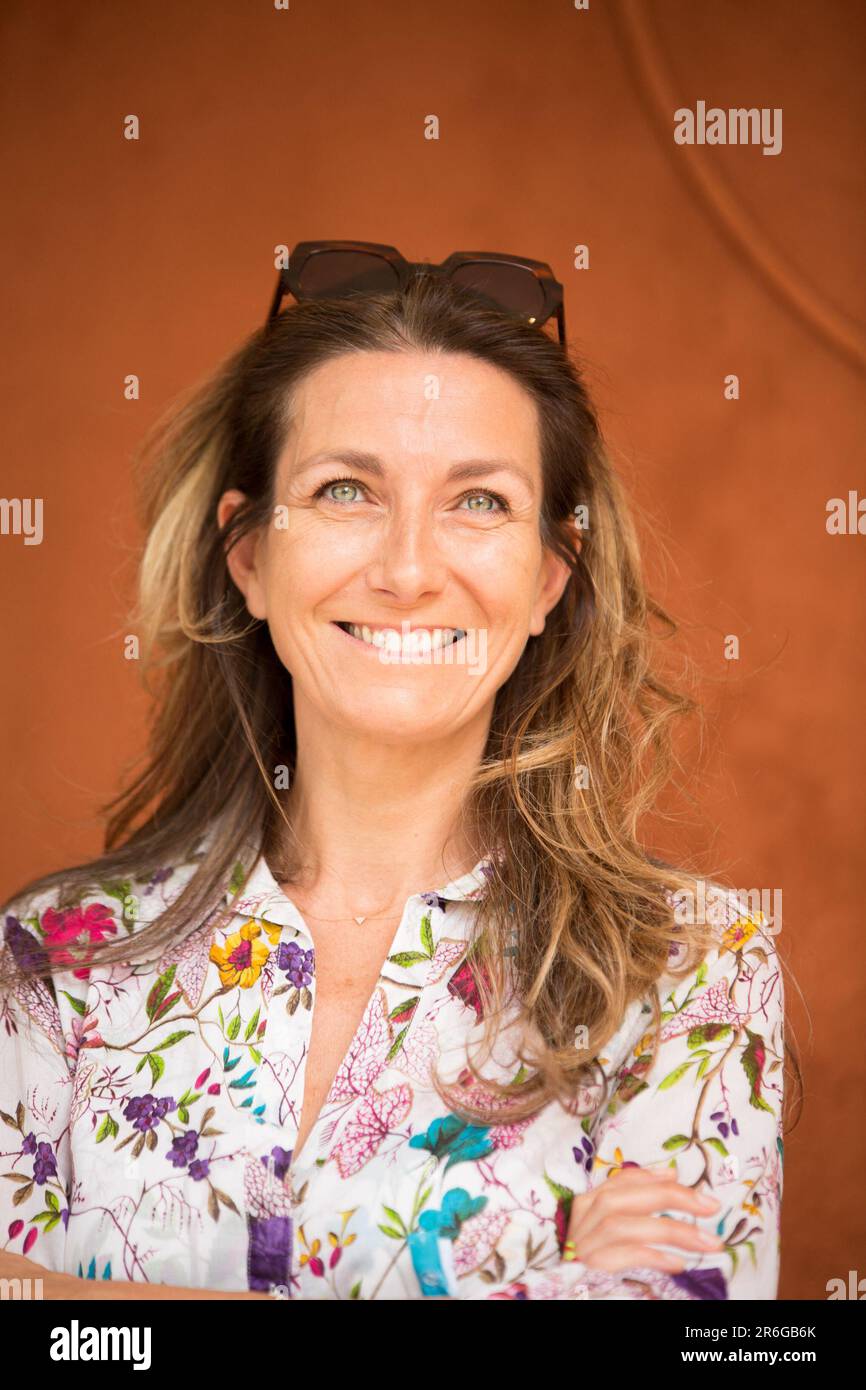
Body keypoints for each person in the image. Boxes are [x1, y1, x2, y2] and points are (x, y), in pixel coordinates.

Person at [0, 262, 792, 1300]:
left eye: (478, 500)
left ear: (548, 577)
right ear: (247, 555)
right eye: (344, 490)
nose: (409, 569)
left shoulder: (696, 975)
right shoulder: (52, 964)